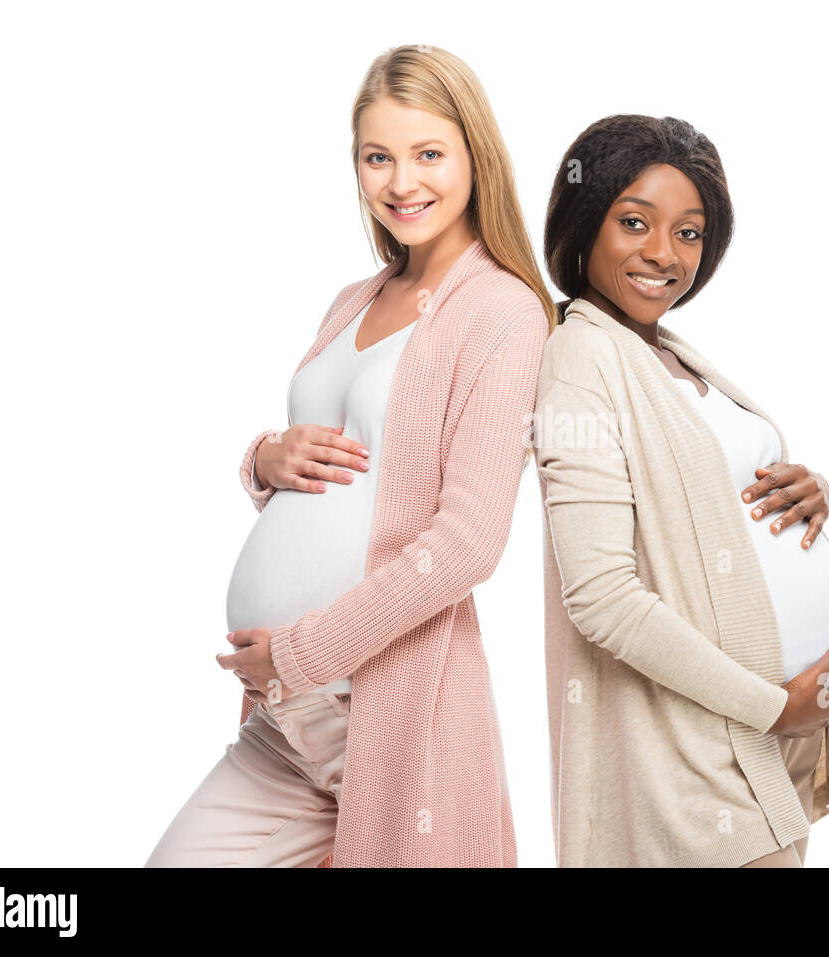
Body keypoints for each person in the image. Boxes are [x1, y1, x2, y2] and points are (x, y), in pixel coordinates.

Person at [145, 44, 555, 868]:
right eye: (378, 157)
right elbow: (342, 473)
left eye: (428, 153)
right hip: (287, 717)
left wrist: (299, 653)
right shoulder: (353, 298)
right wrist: (262, 459)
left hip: (388, 704)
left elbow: (468, 542)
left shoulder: (503, 312)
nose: (402, 182)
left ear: (476, 153)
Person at [534, 114, 829, 867]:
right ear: (586, 224)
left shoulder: (666, 350)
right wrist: (775, 706)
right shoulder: (582, 354)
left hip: (761, 739)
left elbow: (710, 500)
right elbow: (600, 595)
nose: (662, 254)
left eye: (689, 232)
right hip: (695, 762)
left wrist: (811, 490)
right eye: (634, 222)